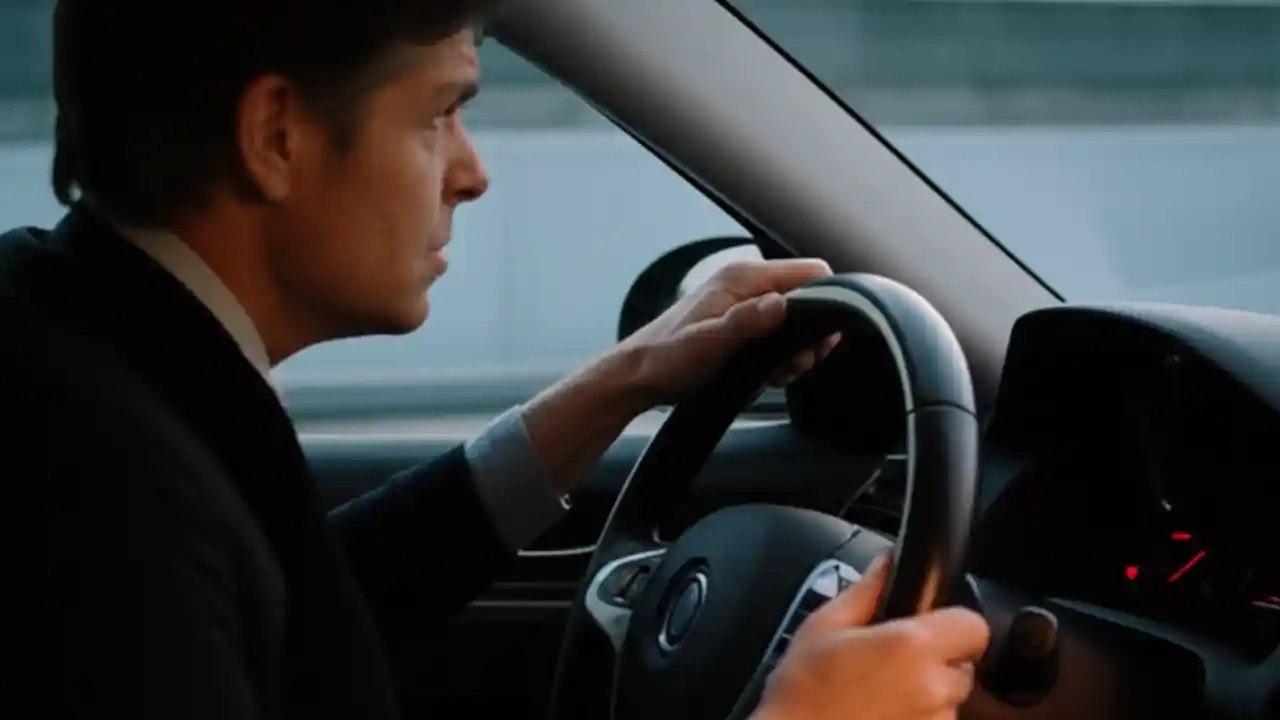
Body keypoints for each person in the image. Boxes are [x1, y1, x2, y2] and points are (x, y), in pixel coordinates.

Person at [0, 1, 990, 718]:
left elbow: (317, 608)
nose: (472, 174)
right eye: (438, 113)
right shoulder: (100, 494)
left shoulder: (85, 349)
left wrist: (627, 379)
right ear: (275, 136)